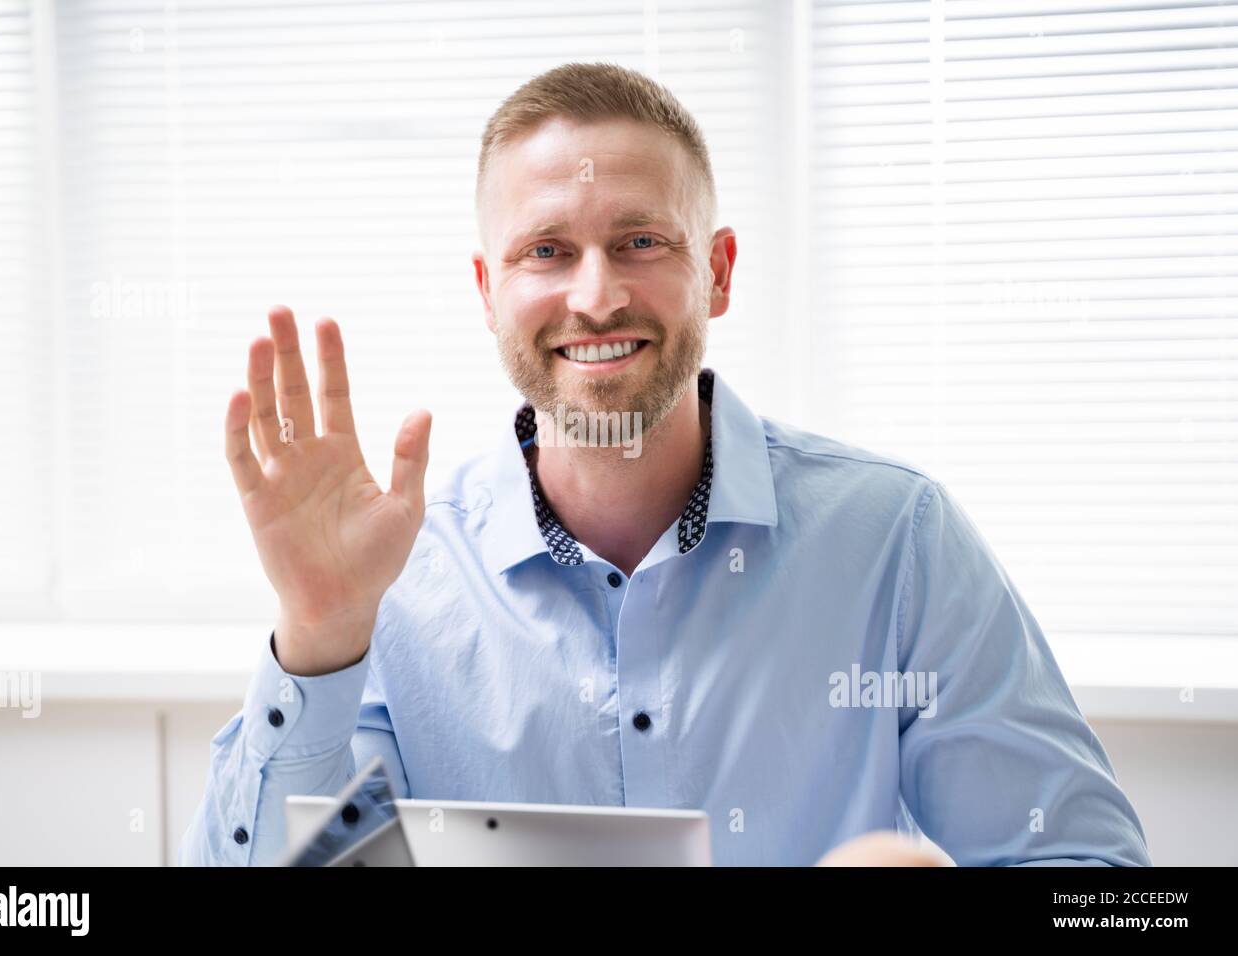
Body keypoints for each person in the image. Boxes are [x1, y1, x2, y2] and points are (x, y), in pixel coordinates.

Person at [180, 62, 1150, 867]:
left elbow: (1099, 881)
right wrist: (317, 633)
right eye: (546, 250)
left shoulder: (897, 540)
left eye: (639, 241)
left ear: (718, 270)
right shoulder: (391, 581)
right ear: (486, 288)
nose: (595, 297)